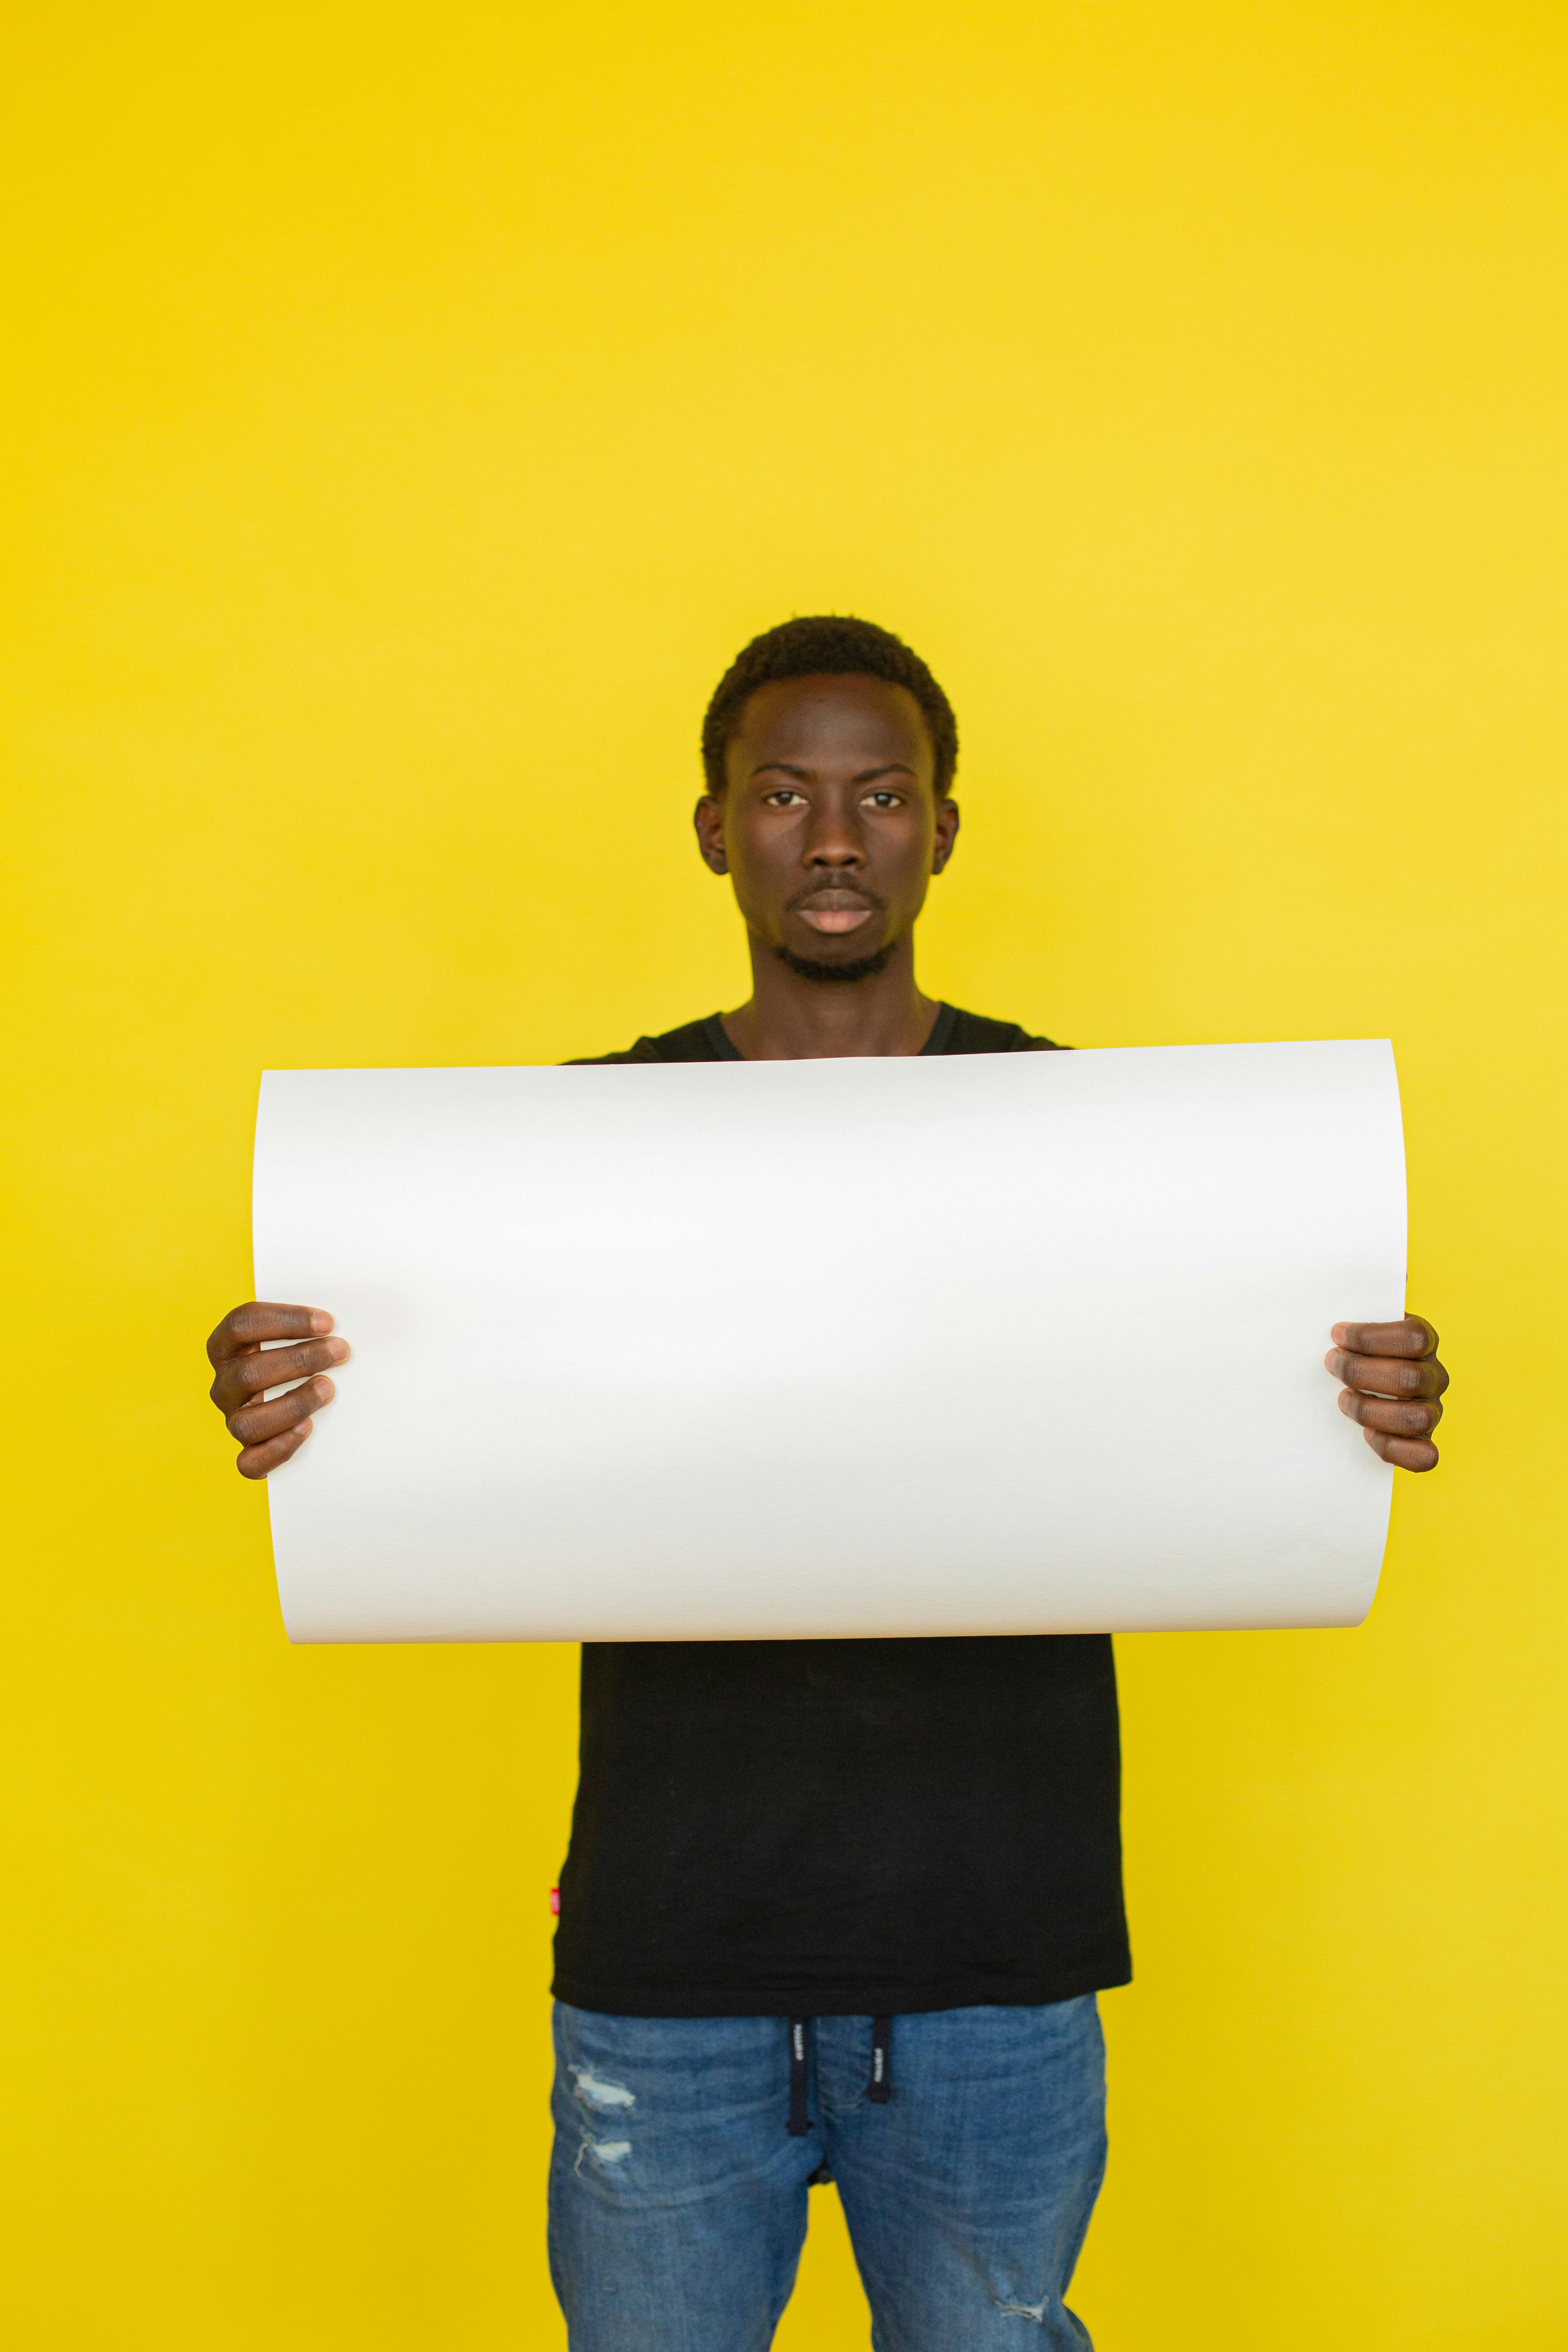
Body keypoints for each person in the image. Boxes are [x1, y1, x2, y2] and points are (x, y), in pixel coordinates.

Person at [206, 617, 1449, 2351]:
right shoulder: (564, 1159)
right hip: (674, 1952)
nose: (839, 837)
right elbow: (417, 1397)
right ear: (717, 828)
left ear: (945, 827)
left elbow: (1244, 1382)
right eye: (786, 794)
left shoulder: (1107, 1146)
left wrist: (1356, 1399)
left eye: (884, 794)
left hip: (994, 1955)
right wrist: (304, 1387)